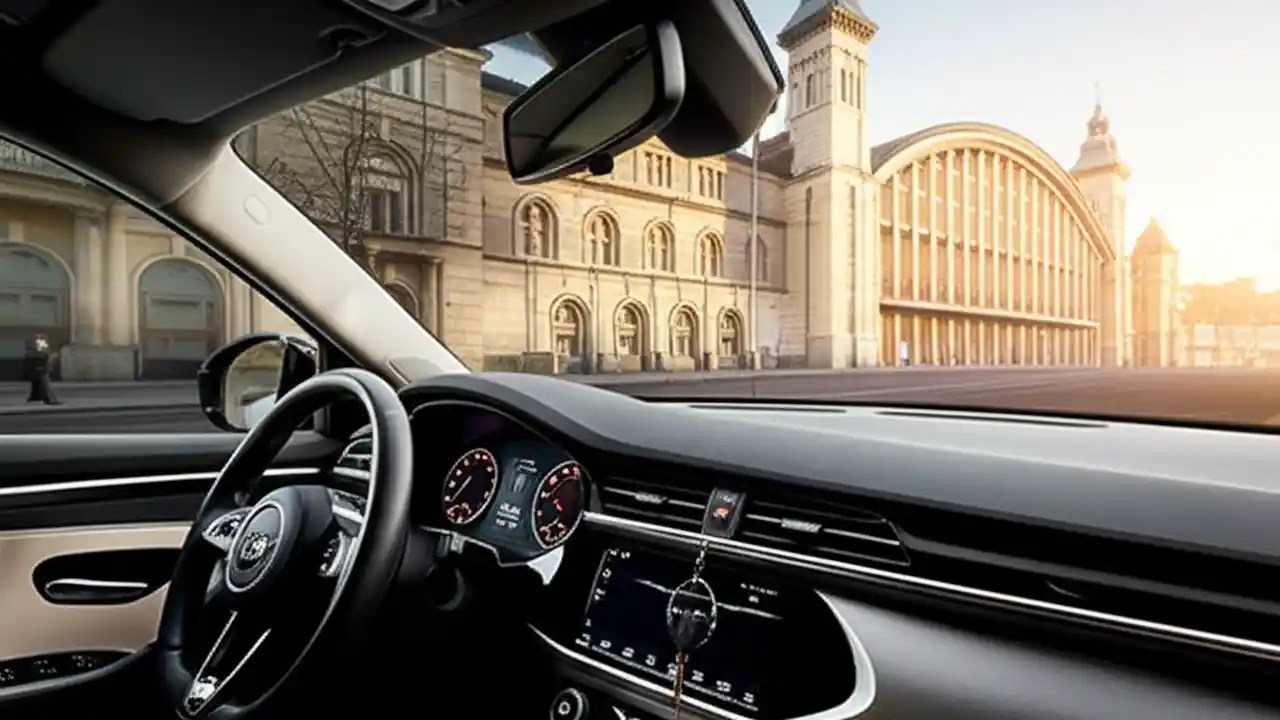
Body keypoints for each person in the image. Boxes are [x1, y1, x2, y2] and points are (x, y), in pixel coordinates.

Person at [24, 334, 62, 405]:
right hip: (42, 367)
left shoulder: (35, 350)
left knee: (38, 383)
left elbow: (43, 354)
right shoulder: (41, 346)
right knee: (45, 384)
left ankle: (36, 397)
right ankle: (50, 399)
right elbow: (44, 354)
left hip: (40, 367)